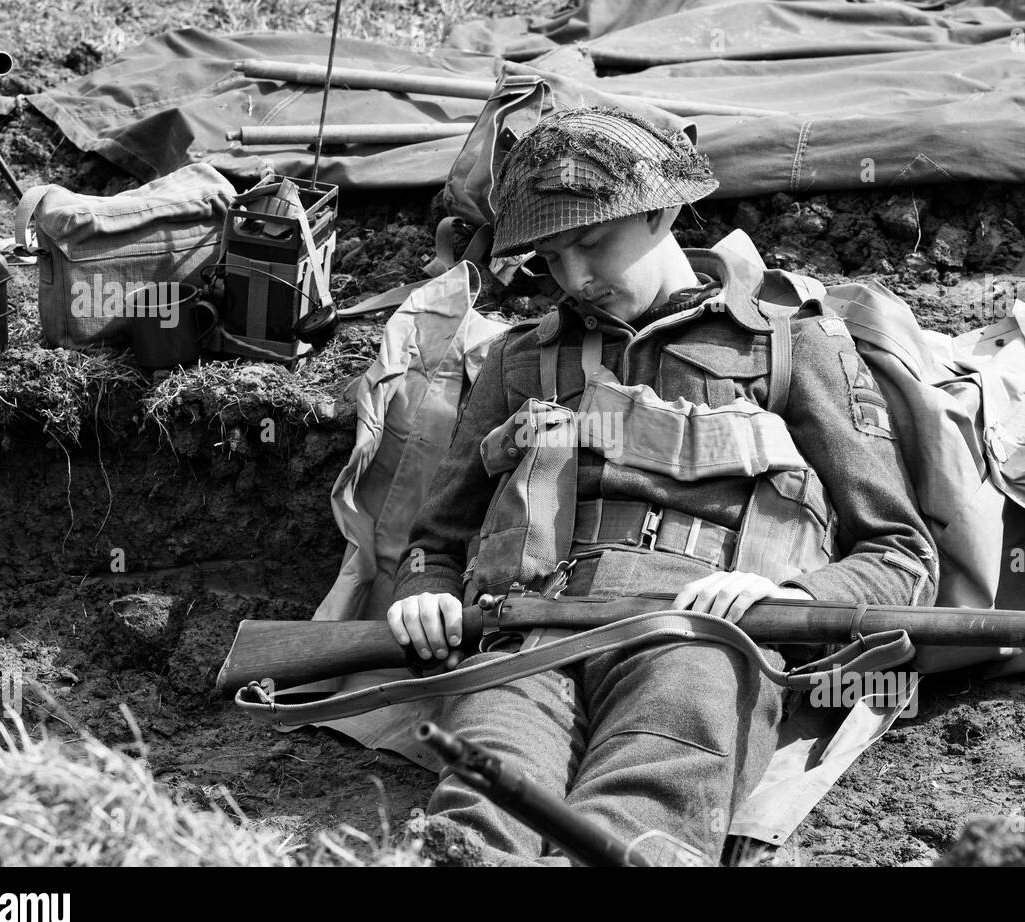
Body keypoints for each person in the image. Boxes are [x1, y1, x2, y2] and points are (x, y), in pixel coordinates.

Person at [387, 105, 937, 865]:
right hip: (528, 632)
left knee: (640, 826)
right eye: (550, 256)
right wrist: (427, 592)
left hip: (699, 636)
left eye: (591, 241)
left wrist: (795, 600)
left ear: (665, 210)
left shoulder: (792, 345)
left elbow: (902, 558)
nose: (576, 278)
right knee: (477, 816)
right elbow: (437, 541)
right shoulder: (521, 360)